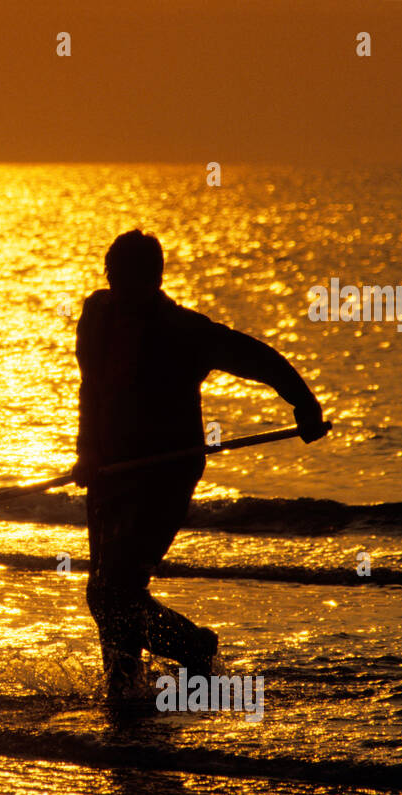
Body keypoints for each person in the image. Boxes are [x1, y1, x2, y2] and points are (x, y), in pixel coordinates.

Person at [72, 230, 327, 699]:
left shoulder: (183, 331)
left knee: (120, 588)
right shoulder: (96, 316)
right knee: (103, 592)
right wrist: (85, 451)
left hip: (164, 474)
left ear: (155, 280)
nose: (121, 292)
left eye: (132, 282)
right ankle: (127, 684)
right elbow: (90, 390)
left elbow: (258, 359)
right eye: (115, 279)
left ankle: (185, 651)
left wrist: (305, 406)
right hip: (109, 473)